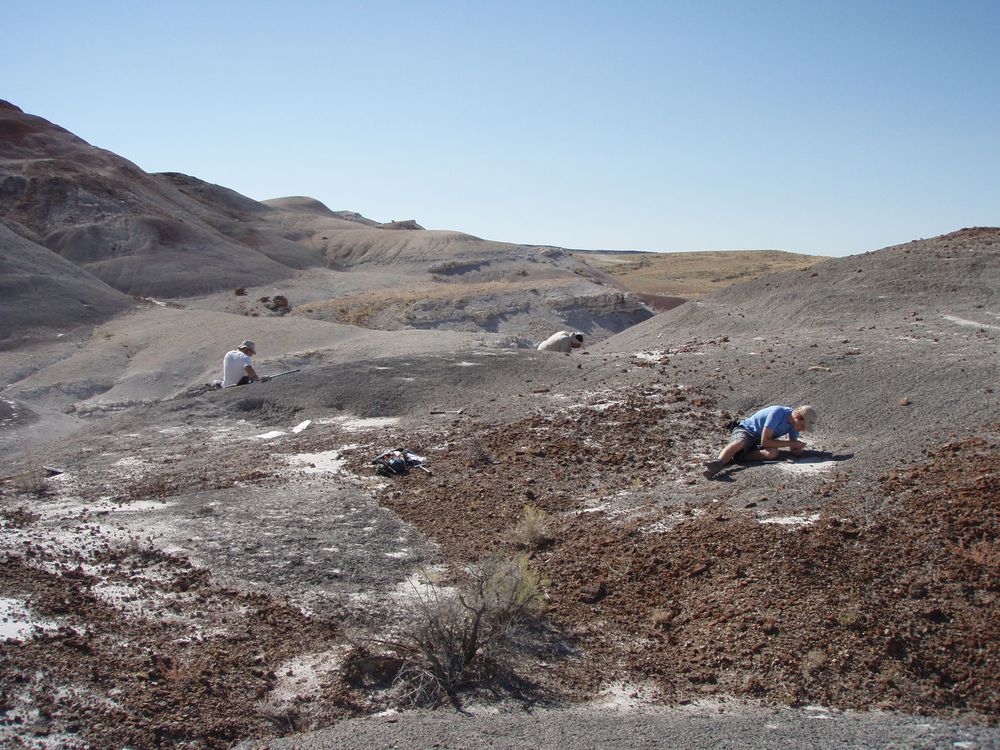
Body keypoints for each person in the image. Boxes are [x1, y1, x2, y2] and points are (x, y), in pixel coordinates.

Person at [703, 404, 817, 479]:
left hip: (757, 441)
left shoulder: (794, 426)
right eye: (803, 426)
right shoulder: (777, 413)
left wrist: (797, 450)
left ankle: (738, 457)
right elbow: (765, 442)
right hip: (747, 431)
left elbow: (793, 444)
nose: (803, 429)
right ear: (797, 416)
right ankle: (718, 463)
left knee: (772, 453)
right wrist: (791, 444)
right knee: (740, 442)